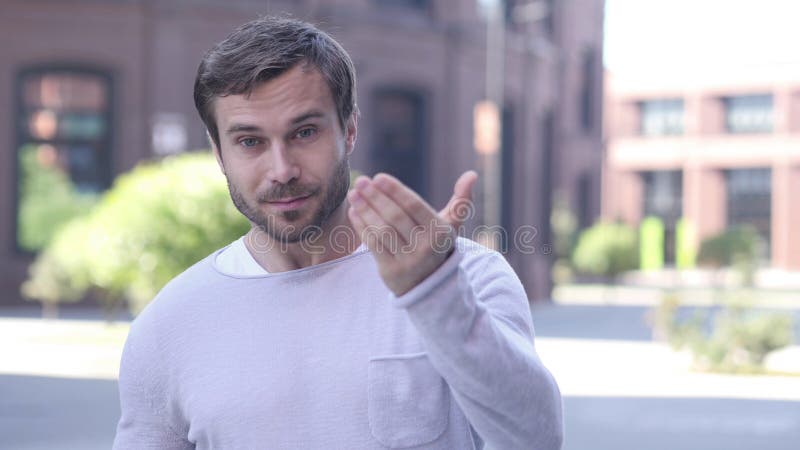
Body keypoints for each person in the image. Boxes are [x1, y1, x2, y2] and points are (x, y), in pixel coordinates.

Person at [113, 16, 563, 450]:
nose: (281, 169)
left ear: (348, 130)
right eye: (249, 141)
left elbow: (535, 437)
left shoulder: (466, 276)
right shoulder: (168, 325)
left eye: (304, 132)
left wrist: (436, 294)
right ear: (219, 152)